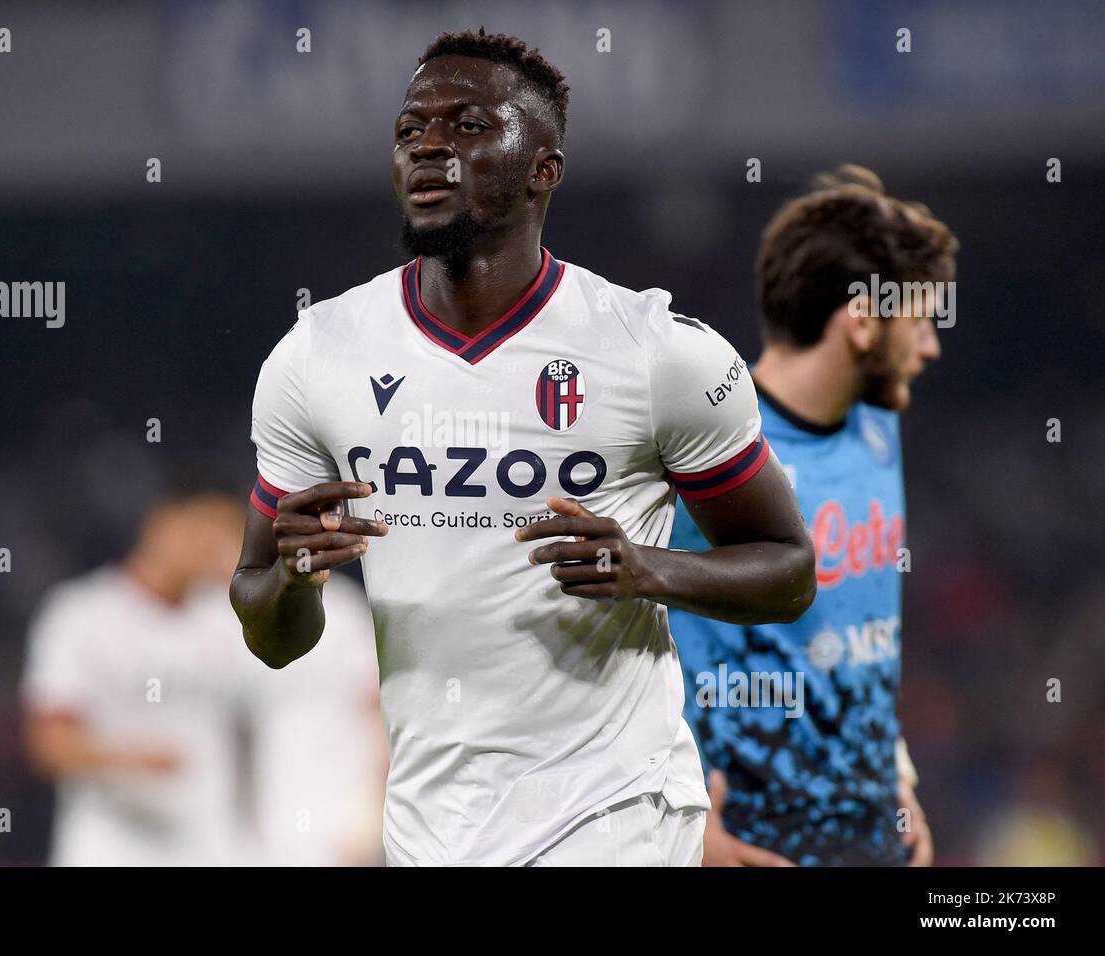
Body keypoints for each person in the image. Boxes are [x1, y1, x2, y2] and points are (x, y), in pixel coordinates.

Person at [231, 30, 815, 867]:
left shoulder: (656, 353)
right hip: (430, 828)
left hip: (618, 811)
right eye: (409, 132)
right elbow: (271, 635)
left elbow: (788, 571)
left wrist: (649, 570)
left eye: (468, 126)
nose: (429, 147)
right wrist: (292, 578)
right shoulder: (316, 356)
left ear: (545, 168)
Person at [668, 165, 958, 866]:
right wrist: (677, 829)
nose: (931, 345)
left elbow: (862, 635)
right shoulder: (704, 446)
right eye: (919, 318)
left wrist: (898, 777)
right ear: (862, 323)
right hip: (747, 839)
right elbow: (618, 639)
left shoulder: (878, 426)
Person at [22, 482, 383, 865]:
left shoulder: (221, 621)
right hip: (110, 849)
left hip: (213, 850)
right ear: (164, 523)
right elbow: (48, 742)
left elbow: (333, 703)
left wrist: (362, 813)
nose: (215, 546)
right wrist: (130, 761)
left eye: (228, 532)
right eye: (207, 530)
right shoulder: (80, 615)